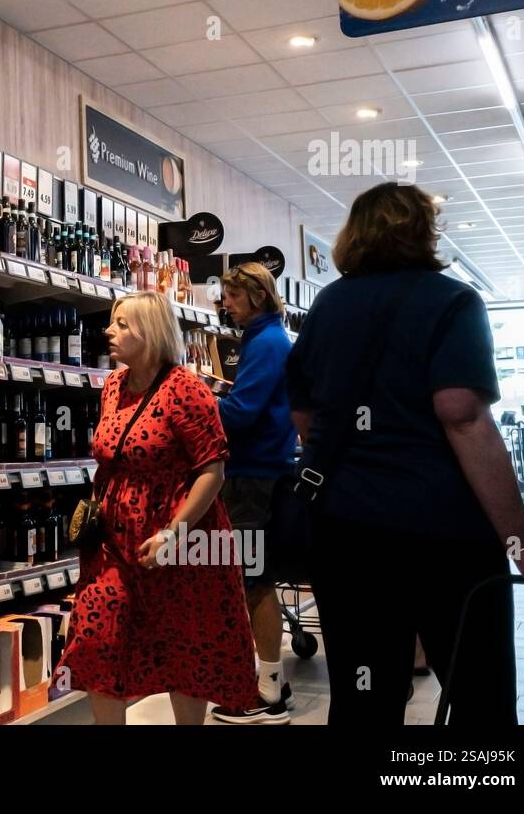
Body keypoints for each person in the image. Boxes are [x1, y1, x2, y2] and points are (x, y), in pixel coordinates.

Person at [286, 182, 524, 725]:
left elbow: (305, 415)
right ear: (423, 231)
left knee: (363, 696)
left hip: (345, 532)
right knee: (479, 693)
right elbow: (461, 414)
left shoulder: (328, 304)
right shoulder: (452, 300)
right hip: (445, 535)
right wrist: (522, 545)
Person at [57, 291, 256, 724]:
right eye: (113, 321)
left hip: (180, 545)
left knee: (186, 649)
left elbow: (213, 471)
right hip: (114, 542)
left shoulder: (186, 388)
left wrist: (174, 534)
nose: (110, 330)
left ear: (151, 332)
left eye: (123, 324)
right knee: (97, 638)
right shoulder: (112, 386)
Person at [210, 262, 297, 725]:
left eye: (233, 296)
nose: (226, 304)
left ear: (257, 297)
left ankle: (265, 693)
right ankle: (272, 681)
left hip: (250, 476)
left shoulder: (265, 343)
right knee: (255, 575)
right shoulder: (267, 338)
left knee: (252, 579)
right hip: (258, 471)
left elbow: (242, 413)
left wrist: (197, 399)